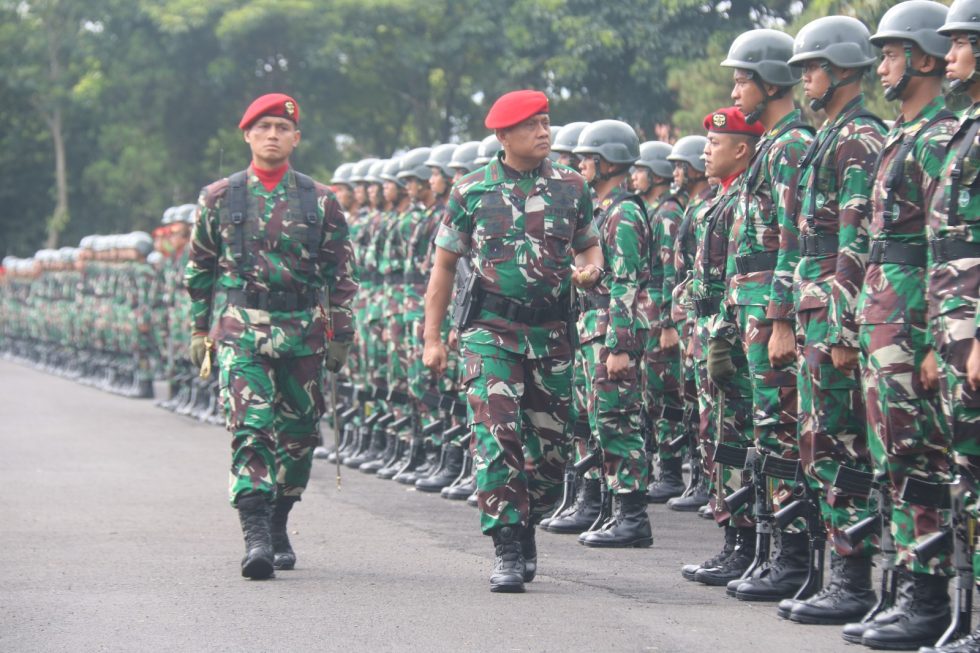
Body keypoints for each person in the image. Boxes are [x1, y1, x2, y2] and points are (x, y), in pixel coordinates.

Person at [422, 89, 603, 593]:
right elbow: (444, 266)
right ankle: (505, 543)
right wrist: (432, 338)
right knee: (496, 439)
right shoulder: (471, 190)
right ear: (502, 135)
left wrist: (591, 269)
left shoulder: (571, 185)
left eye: (546, 122)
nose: (544, 132)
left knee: (551, 451)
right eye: (531, 125)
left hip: (552, 335)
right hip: (490, 334)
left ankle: (528, 518)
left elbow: (589, 244)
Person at [185, 93, 357, 580]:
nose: (273, 135)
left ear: (296, 138)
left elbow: (341, 271)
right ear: (247, 135)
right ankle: (256, 533)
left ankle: (280, 518)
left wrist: (341, 331)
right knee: (251, 428)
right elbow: (198, 267)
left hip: (303, 330)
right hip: (242, 329)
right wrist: (200, 327)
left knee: (300, 436)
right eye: (263, 127)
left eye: (282, 128)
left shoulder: (320, 199)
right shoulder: (220, 196)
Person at [716, 27, 816, 600]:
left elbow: (791, 240)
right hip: (754, 308)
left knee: (780, 431)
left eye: (741, 78)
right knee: (764, 431)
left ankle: (792, 554)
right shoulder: (778, 144)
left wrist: (780, 318)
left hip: (775, 312)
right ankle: (769, 549)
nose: (735, 90)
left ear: (769, 81)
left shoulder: (791, 146)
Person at [571, 119, 654, 548]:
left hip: (611, 330)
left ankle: (633, 517)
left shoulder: (623, 214)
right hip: (595, 328)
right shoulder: (602, 211)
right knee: (601, 421)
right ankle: (612, 508)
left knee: (618, 420)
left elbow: (625, 282)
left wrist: (619, 344)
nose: (581, 164)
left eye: (587, 157)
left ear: (607, 162)